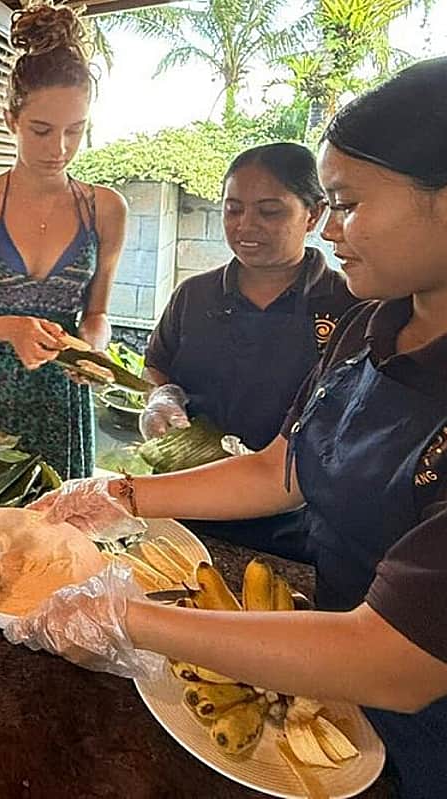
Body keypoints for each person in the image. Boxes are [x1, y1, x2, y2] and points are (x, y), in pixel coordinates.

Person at [7, 53, 447, 796]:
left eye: (347, 204)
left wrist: (129, 618)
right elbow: (283, 467)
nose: (331, 229)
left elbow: (397, 659)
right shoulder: (373, 325)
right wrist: (123, 494)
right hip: (331, 676)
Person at [0, 1, 128, 480]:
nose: (58, 148)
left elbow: (97, 315)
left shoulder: (106, 209)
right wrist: (12, 328)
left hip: (58, 395)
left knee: (54, 518)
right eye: (41, 130)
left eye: (75, 131)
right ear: (11, 119)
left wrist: (90, 350)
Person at [141, 143, 359, 561]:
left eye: (269, 211)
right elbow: (157, 366)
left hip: (293, 524)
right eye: (233, 209)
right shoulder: (194, 295)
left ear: (313, 214)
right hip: (184, 503)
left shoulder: (348, 305)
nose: (245, 225)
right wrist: (161, 398)